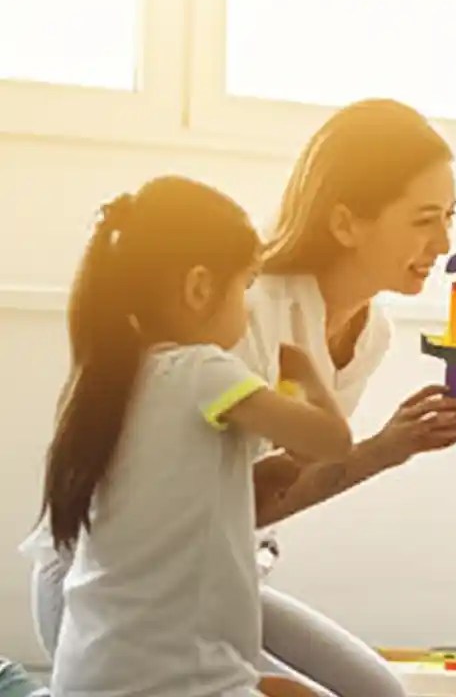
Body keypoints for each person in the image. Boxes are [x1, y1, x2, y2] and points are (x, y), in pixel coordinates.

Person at [23, 99, 456, 697]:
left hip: (207, 574)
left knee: (383, 693)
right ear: (345, 224)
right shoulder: (236, 318)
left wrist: (387, 448)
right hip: (119, 590)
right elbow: (216, 499)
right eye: (423, 220)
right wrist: (380, 450)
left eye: (450, 216)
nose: (444, 241)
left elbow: (264, 489)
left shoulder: (372, 334)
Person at [45, 176, 353, 696]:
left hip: (89, 673)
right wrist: (308, 375)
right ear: (199, 288)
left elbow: (165, 491)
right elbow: (331, 443)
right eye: (247, 285)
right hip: (180, 681)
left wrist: (250, 475)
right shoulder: (203, 371)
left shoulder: (106, 385)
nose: (249, 306)